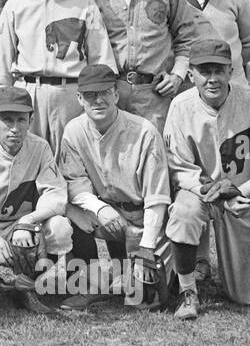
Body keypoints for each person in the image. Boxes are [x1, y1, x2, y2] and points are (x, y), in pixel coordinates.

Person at [163, 38, 250, 317]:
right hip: (200, 193)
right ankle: (187, 291)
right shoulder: (180, 106)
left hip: (245, 197)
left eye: (219, 70)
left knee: (244, 295)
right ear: (191, 74)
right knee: (184, 211)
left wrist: (240, 193)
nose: (212, 79)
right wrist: (216, 195)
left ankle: (237, 270)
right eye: (204, 71)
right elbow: (179, 167)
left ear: (230, 71)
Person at [0, 0, 116, 157]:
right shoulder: (16, 5)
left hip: (71, 92)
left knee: (73, 162)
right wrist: (4, 109)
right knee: (26, 163)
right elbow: (0, 66)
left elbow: (101, 61)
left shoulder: (84, 3)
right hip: (27, 92)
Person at [57, 65, 173, 310]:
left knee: (143, 301)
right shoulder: (74, 130)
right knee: (70, 215)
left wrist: (147, 247)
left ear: (116, 95)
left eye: (104, 93)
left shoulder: (145, 132)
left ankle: (146, 272)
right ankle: (88, 285)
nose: (97, 100)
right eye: (89, 94)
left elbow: (157, 197)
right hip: (109, 212)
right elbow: (74, 184)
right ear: (79, 98)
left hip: (146, 217)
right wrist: (99, 208)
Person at [0, 86, 74, 314]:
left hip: (21, 227)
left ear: (31, 120)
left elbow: (56, 195)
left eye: (21, 120)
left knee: (59, 227)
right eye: (7, 120)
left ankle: (26, 286)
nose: (15, 129)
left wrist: (27, 221)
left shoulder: (40, 147)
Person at [81, 0, 208, 134]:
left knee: (155, 158)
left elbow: (187, 35)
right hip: (107, 92)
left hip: (154, 92)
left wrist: (178, 74)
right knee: (110, 159)